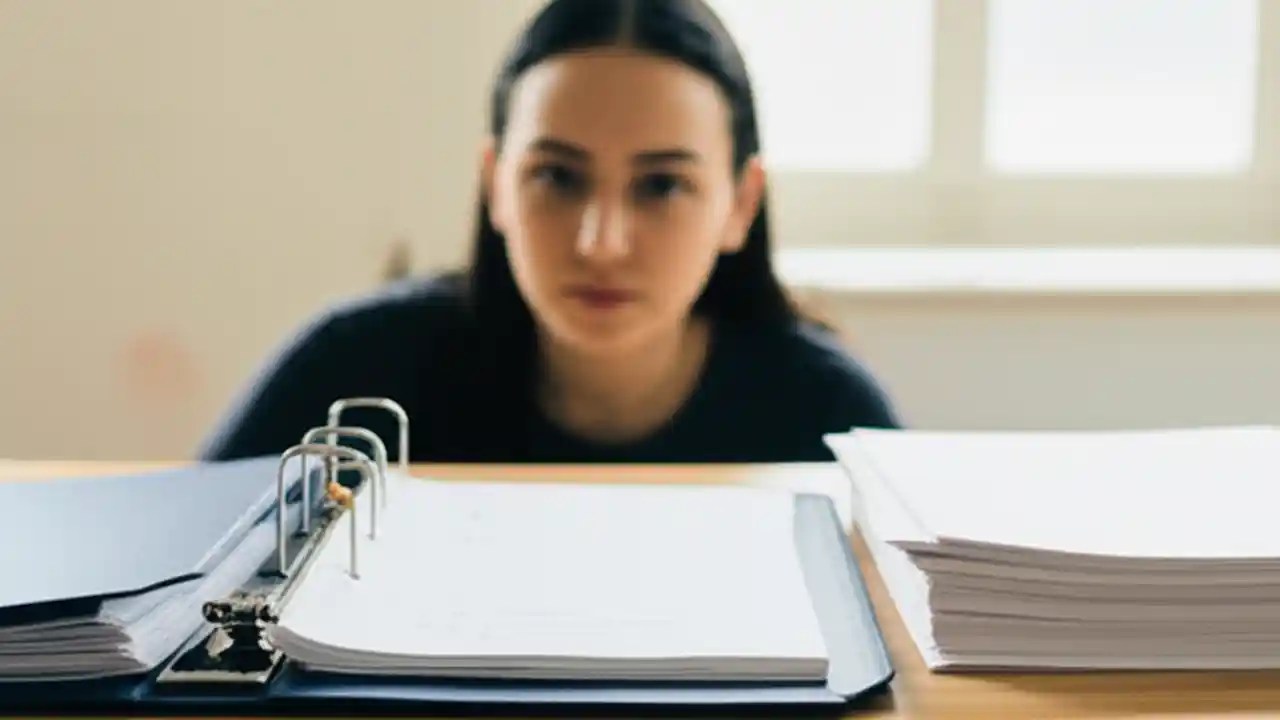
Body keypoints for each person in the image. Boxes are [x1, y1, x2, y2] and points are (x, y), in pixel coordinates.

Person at [198, 0, 900, 464]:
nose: (601, 243)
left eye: (662, 185)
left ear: (740, 204)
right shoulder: (351, 378)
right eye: (558, 177)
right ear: (494, 181)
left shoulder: (828, 417)